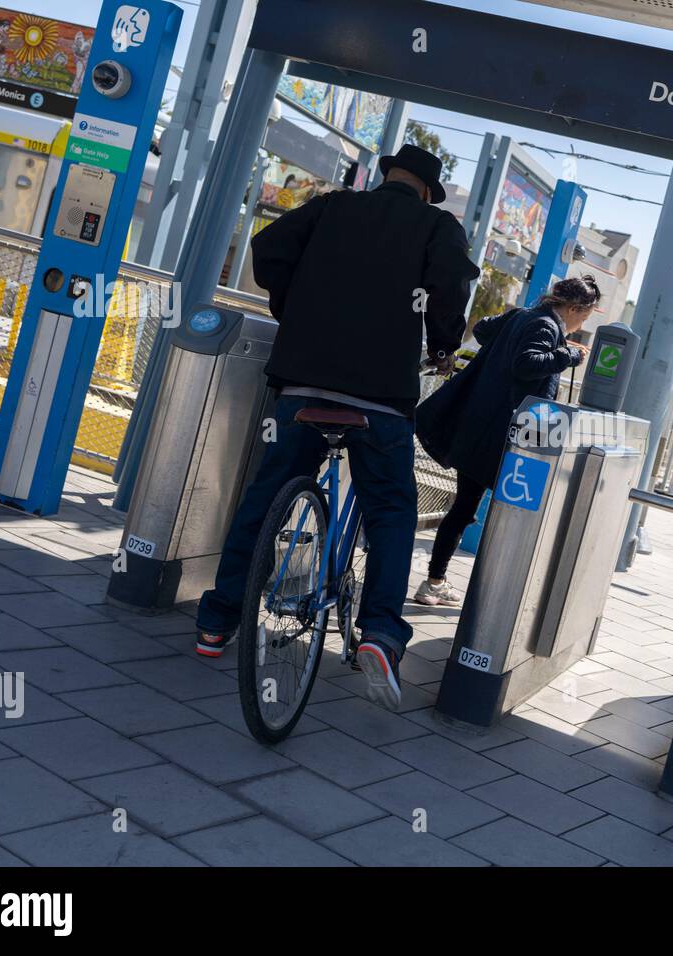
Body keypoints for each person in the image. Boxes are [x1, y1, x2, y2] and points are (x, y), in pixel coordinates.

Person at [195, 144, 479, 713]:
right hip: (380, 399)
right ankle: (381, 634)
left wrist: (294, 308)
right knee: (392, 510)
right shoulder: (436, 225)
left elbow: (268, 248)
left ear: (383, 177)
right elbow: (451, 287)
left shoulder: (332, 207)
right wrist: (444, 344)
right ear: (426, 190)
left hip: (301, 383)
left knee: (268, 492)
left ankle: (218, 619)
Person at [414, 274, 601, 604]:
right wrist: (569, 356)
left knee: (464, 508)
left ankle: (435, 581)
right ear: (573, 308)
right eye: (583, 316)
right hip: (502, 436)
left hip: (479, 426)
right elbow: (526, 364)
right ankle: (480, 593)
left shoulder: (524, 316)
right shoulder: (545, 327)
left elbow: (484, 329)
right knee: (504, 514)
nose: (580, 324)